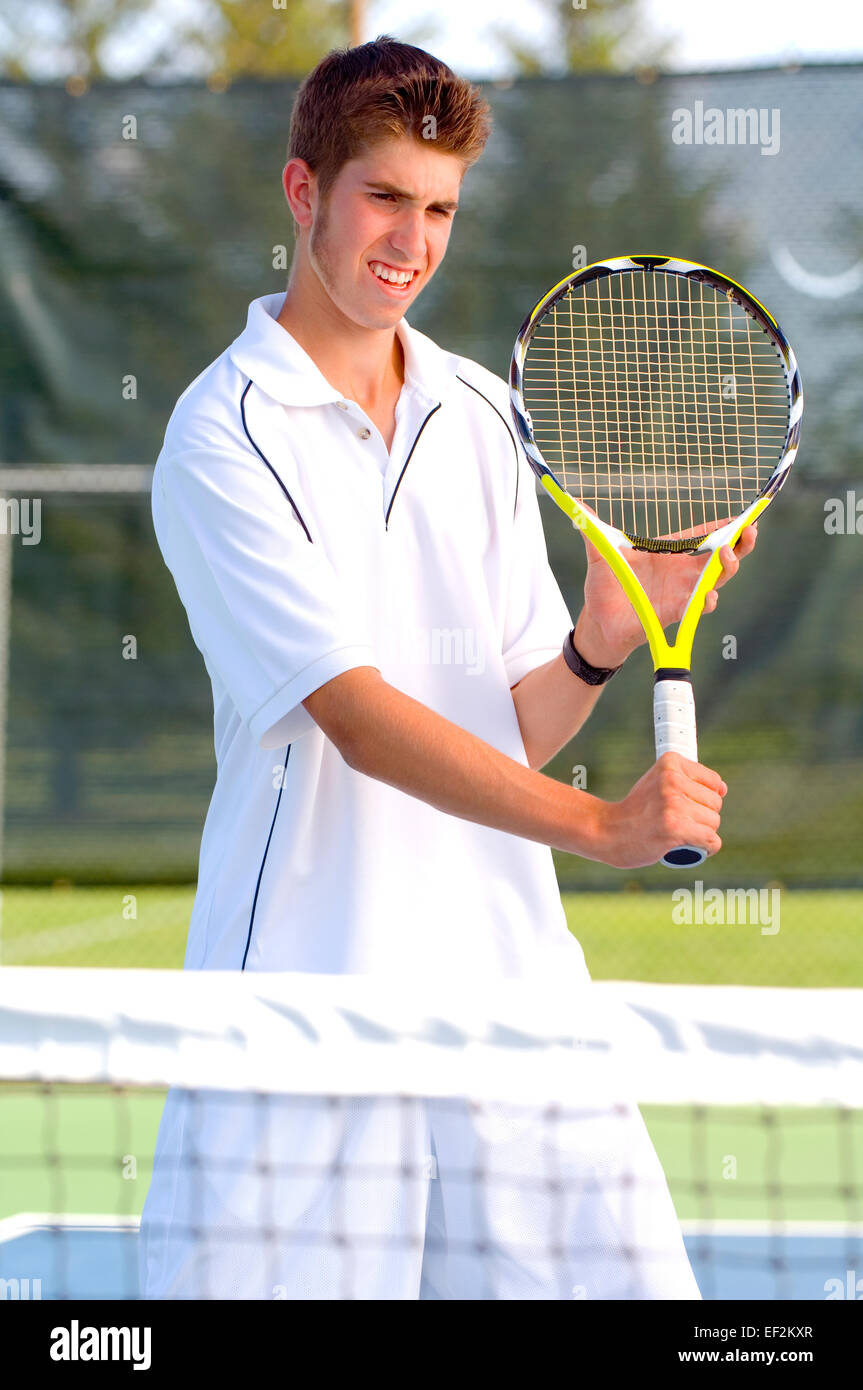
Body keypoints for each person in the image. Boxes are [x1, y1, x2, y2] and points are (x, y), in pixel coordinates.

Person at [140, 36, 755, 1301]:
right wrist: (605, 825)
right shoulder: (219, 438)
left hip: (504, 978)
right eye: (383, 198)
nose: (410, 240)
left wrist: (594, 643)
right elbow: (360, 720)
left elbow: (507, 725)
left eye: (438, 210)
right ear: (304, 191)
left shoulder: (480, 410)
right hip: (302, 996)